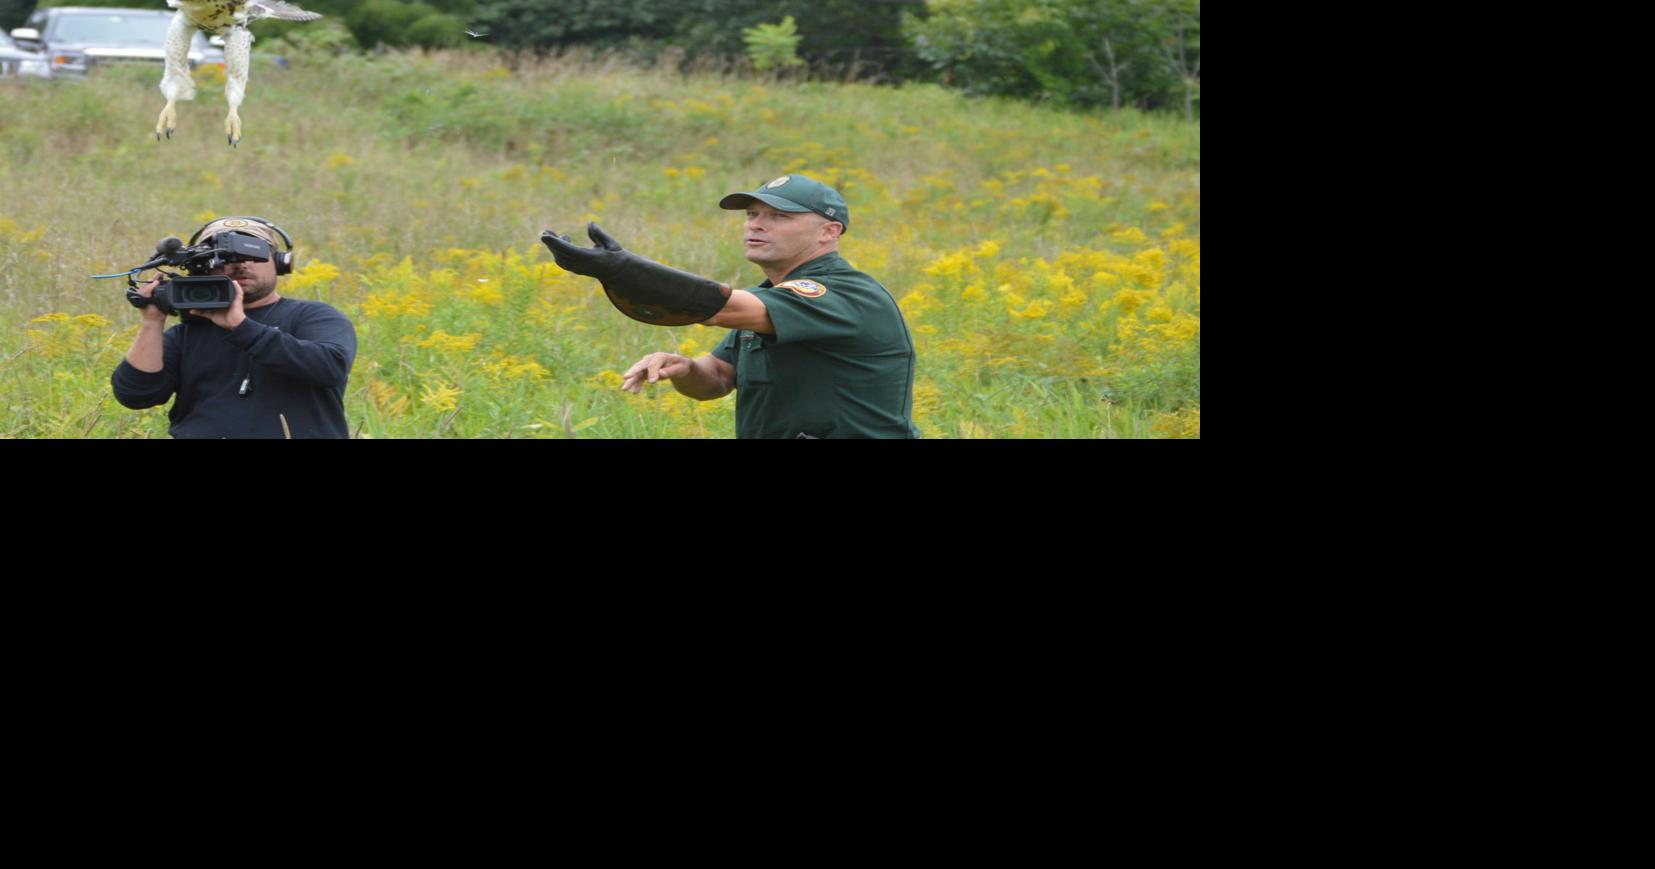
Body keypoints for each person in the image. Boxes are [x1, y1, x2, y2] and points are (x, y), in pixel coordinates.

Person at [546, 174, 919, 439]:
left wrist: (624, 270)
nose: (756, 226)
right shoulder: (770, 297)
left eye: (779, 217)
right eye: (752, 215)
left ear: (828, 232)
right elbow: (717, 380)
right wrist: (685, 368)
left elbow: (721, 308)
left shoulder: (846, 295)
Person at [110, 216, 357, 438]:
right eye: (223, 258)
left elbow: (329, 367)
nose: (240, 264)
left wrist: (240, 326)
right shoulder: (187, 334)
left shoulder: (314, 316)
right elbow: (135, 396)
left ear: (279, 263)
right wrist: (152, 322)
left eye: (254, 253)